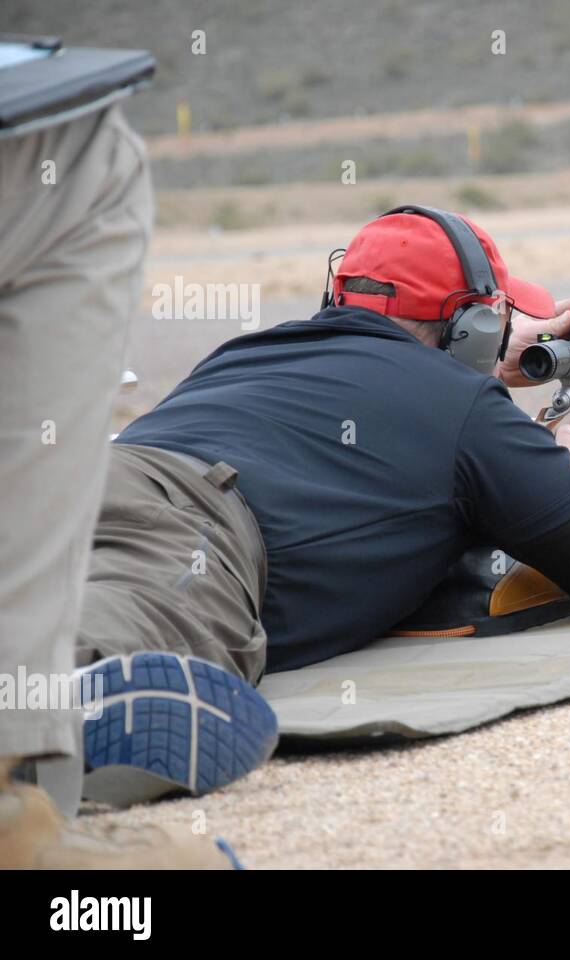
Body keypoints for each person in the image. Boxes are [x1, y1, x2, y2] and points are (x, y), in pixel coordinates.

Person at [64, 207, 570, 810]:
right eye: (493, 316)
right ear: (468, 327)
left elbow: (397, 386)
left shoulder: (243, 353)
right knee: (94, 673)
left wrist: (480, 366)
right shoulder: (464, 407)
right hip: (192, 528)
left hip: (82, 484)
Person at [0, 92, 235, 866]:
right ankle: (31, 754)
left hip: (142, 469)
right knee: (88, 149)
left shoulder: (253, 359)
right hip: (189, 512)